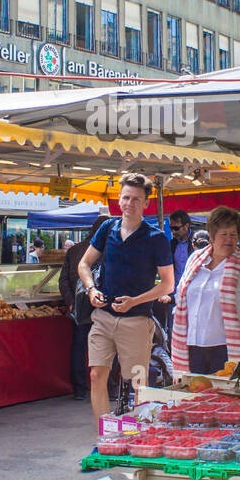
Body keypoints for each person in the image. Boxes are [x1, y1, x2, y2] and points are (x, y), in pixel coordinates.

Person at [78, 173, 175, 420]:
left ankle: (137, 433)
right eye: (125, 198)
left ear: (145, 204)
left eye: (135, 199)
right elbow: (83, 265)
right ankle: (106, 433)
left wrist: (135, 301)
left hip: (137, 320)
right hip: (103, 317)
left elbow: (168, 285)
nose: (129, 204)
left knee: (137, 382)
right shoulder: (107, 228)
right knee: (96, 375)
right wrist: (91, 289)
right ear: (119, 200)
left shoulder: (156, 238)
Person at [170, 206, 240, 374]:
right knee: (195, 396)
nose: (229, 240)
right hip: (192, 345)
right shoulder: (195, 260)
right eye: (223, 234)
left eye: (233, 235)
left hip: (227, 348)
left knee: (225, 396)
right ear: (211, 235)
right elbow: (181, 292)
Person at [61, 216, 109, 400]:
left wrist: (71, 301)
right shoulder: (107, 250)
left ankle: (79, 389)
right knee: (107, 349)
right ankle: (109, 387)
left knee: (79, 348)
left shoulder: (74, 250)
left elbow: (63, 280)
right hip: (102, 307)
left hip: (79, 306)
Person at [168, 210, 194, 286]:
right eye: (171, 228)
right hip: (175, 291)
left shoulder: (196, 242)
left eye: (176, 228)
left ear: (186, 226)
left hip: (192, 290)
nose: (173, 232)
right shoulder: (172, 244)